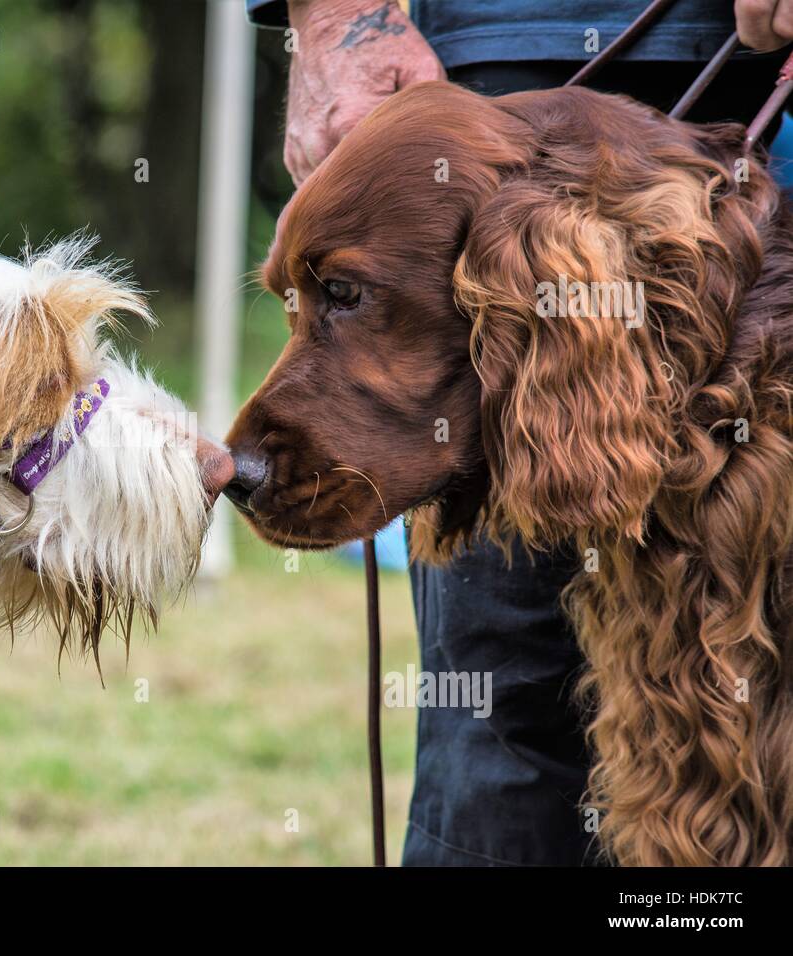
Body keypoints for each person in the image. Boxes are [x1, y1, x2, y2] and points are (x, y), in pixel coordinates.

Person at [246, 0, 793, 865]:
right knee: (504, 718)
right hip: (483, 51)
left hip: (763, 58)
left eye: (342, 300)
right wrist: (337, 15)